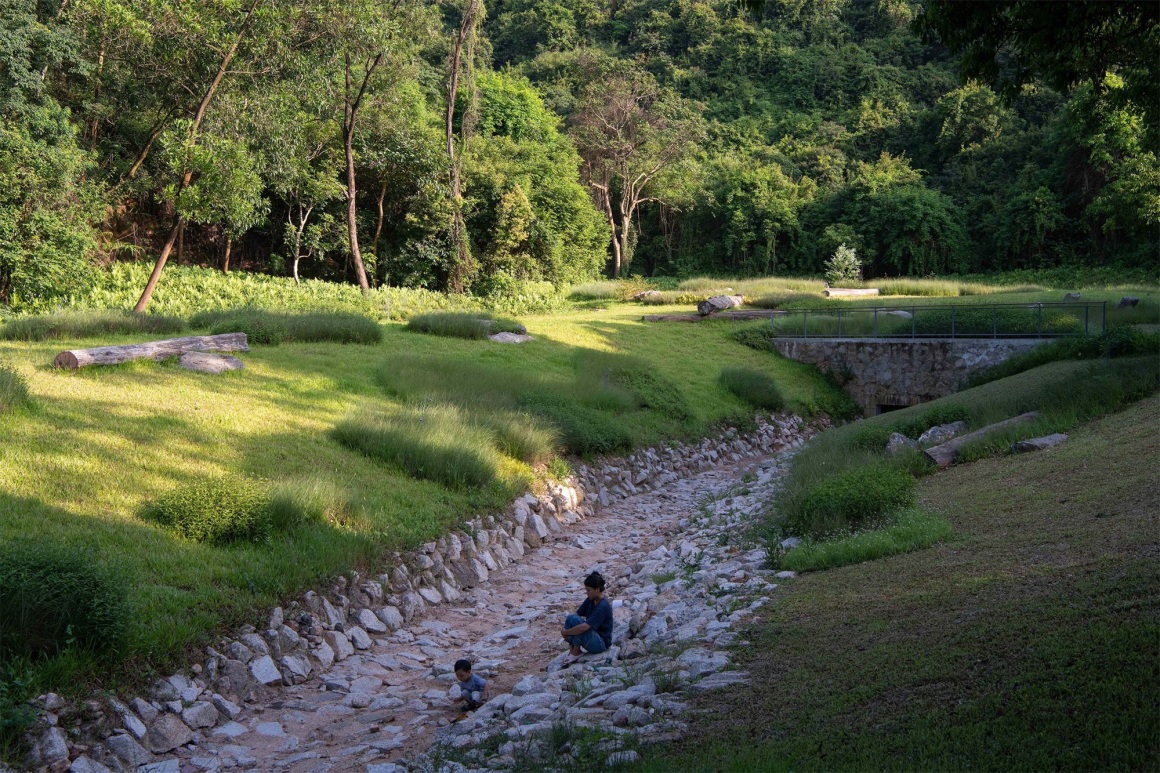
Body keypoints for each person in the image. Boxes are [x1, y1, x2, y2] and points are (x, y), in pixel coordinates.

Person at [560, 571, 613, 665]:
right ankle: (572, 650)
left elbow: (585, 627)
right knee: (571, 618)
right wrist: (568, 629)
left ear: (597, 589)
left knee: (581, 626)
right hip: (593, 636)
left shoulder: (602, 606)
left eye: (588, 590)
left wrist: (566, 632)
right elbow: (577, 615)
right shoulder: (590, 600)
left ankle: (576, 651)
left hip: (601, 643)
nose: (587, 593)